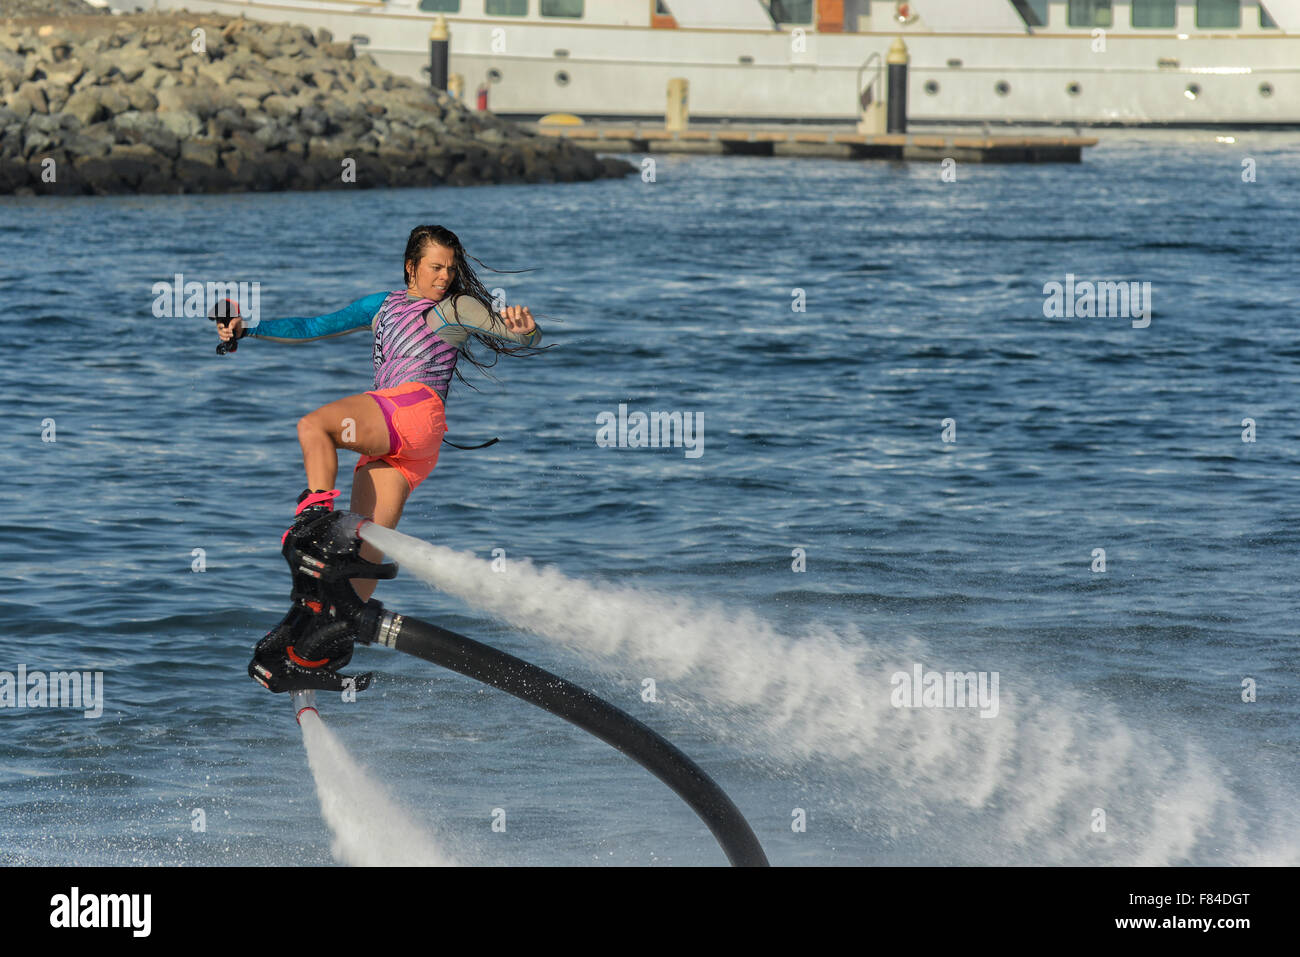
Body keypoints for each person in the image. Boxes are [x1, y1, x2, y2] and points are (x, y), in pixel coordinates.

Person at [217, 224, 544, 603]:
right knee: (360, 547)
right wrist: (248, 330)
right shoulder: (381, 306)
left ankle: (314, 518)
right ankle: (331, 639)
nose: (446, 277)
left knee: (314, 426)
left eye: (451, 269)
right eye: (436, 267)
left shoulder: (456, 307)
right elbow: (313, 327)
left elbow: (512, 334)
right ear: (411, 267)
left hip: (410, 412)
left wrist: (527, 331)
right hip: (409, 445)